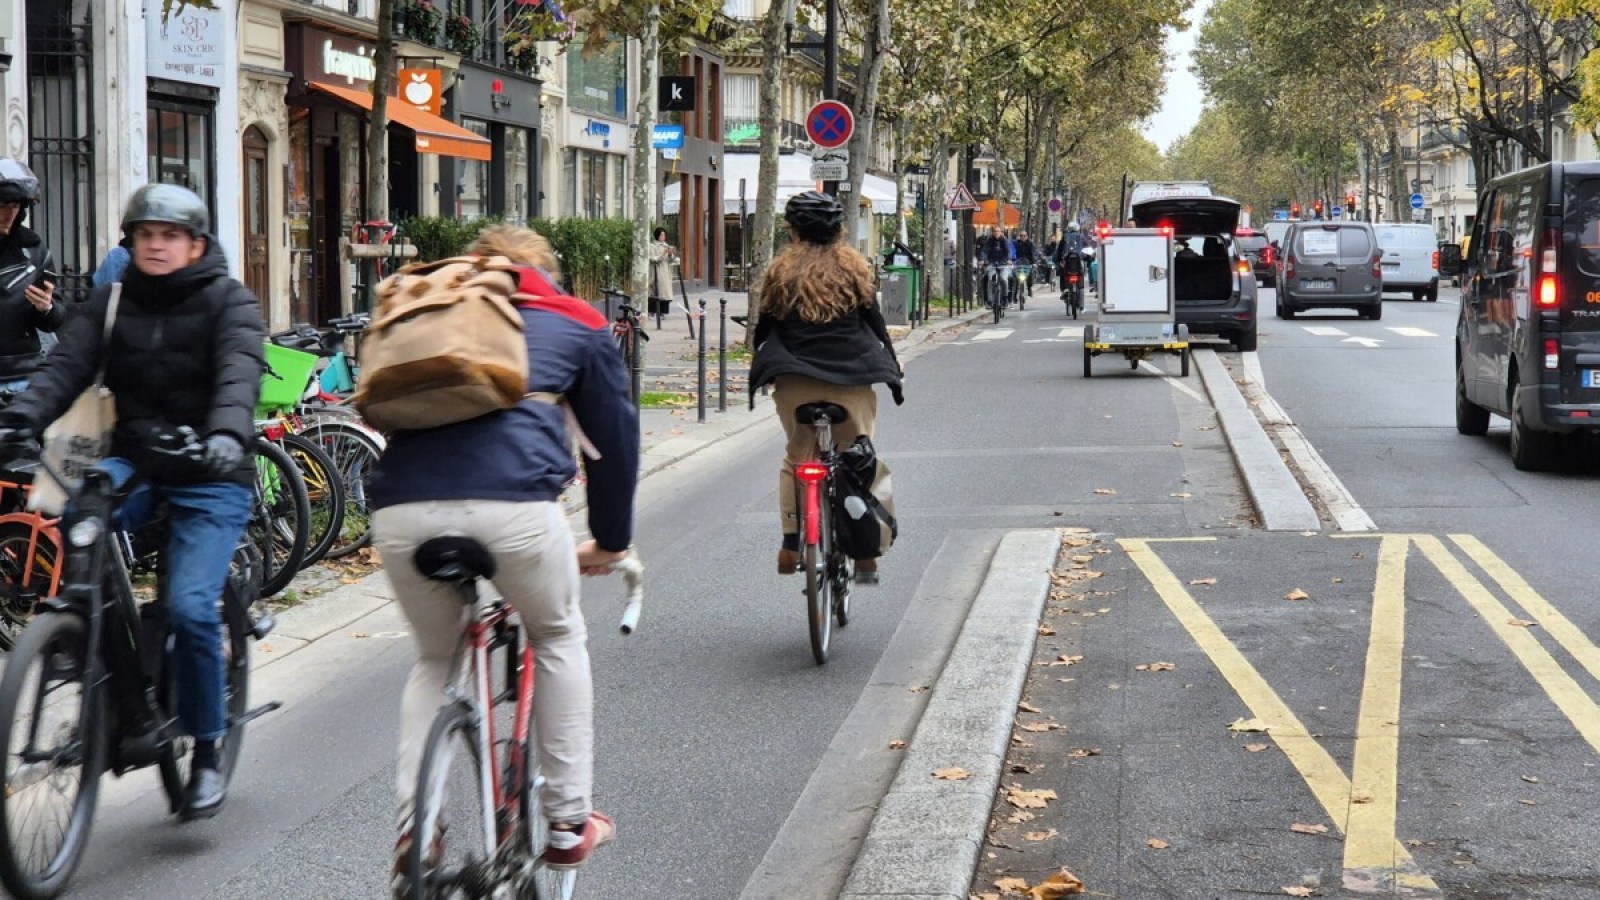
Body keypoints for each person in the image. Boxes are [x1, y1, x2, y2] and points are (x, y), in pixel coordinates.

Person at [367, 224, 638, 892]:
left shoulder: (423, 314)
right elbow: (616, 443)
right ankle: (569, 823)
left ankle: (417, 829)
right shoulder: (575, 321)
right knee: (557, 633)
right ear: (543, 271)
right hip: (515, 510)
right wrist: (609, 539)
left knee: (436, 658)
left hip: (400, 512)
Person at [0, 183, 264, 819]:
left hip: (210, 472)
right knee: (70, 516)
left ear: (195, 244)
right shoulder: (110, 302)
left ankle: (205, 747)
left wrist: (229, 434)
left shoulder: (230, 302)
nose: (156, 245)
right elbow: (66, 366)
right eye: (145, 236)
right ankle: (92, 647)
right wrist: (24, 415)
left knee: (193, 608)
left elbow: (238, 372)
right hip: (135, 461)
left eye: (169, 236)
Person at [749, 191, 903, 583]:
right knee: (857, 457)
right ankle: (866, 554)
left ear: (794, 232)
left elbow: (764, 329)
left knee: (797, 460)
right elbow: (875, 324)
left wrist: (758, 361)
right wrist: (893, 367)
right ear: (839, 232)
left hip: (794, 381)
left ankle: (789, 544)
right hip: (851, 381)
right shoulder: (855, 269)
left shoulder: (780, 272)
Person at [0, 158, 63, 395]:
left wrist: (46, 307)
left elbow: (56, 318)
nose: (10, 213)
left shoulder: (34, 250)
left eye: (15, 206)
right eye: (3, 204)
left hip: (23, 376)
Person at [648, 226, 676, 313]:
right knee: (657, 290)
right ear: (657, 236)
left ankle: (663, 312)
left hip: (666, 271)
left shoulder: (666, 245)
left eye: (664, 235)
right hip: (657, 271)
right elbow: (652, 259)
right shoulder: (653, 246)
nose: (663, 237)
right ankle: (654, 311)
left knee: (665, 291)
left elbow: (671, 260)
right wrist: (663, 254)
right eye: (661, 235)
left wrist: (670, 254)